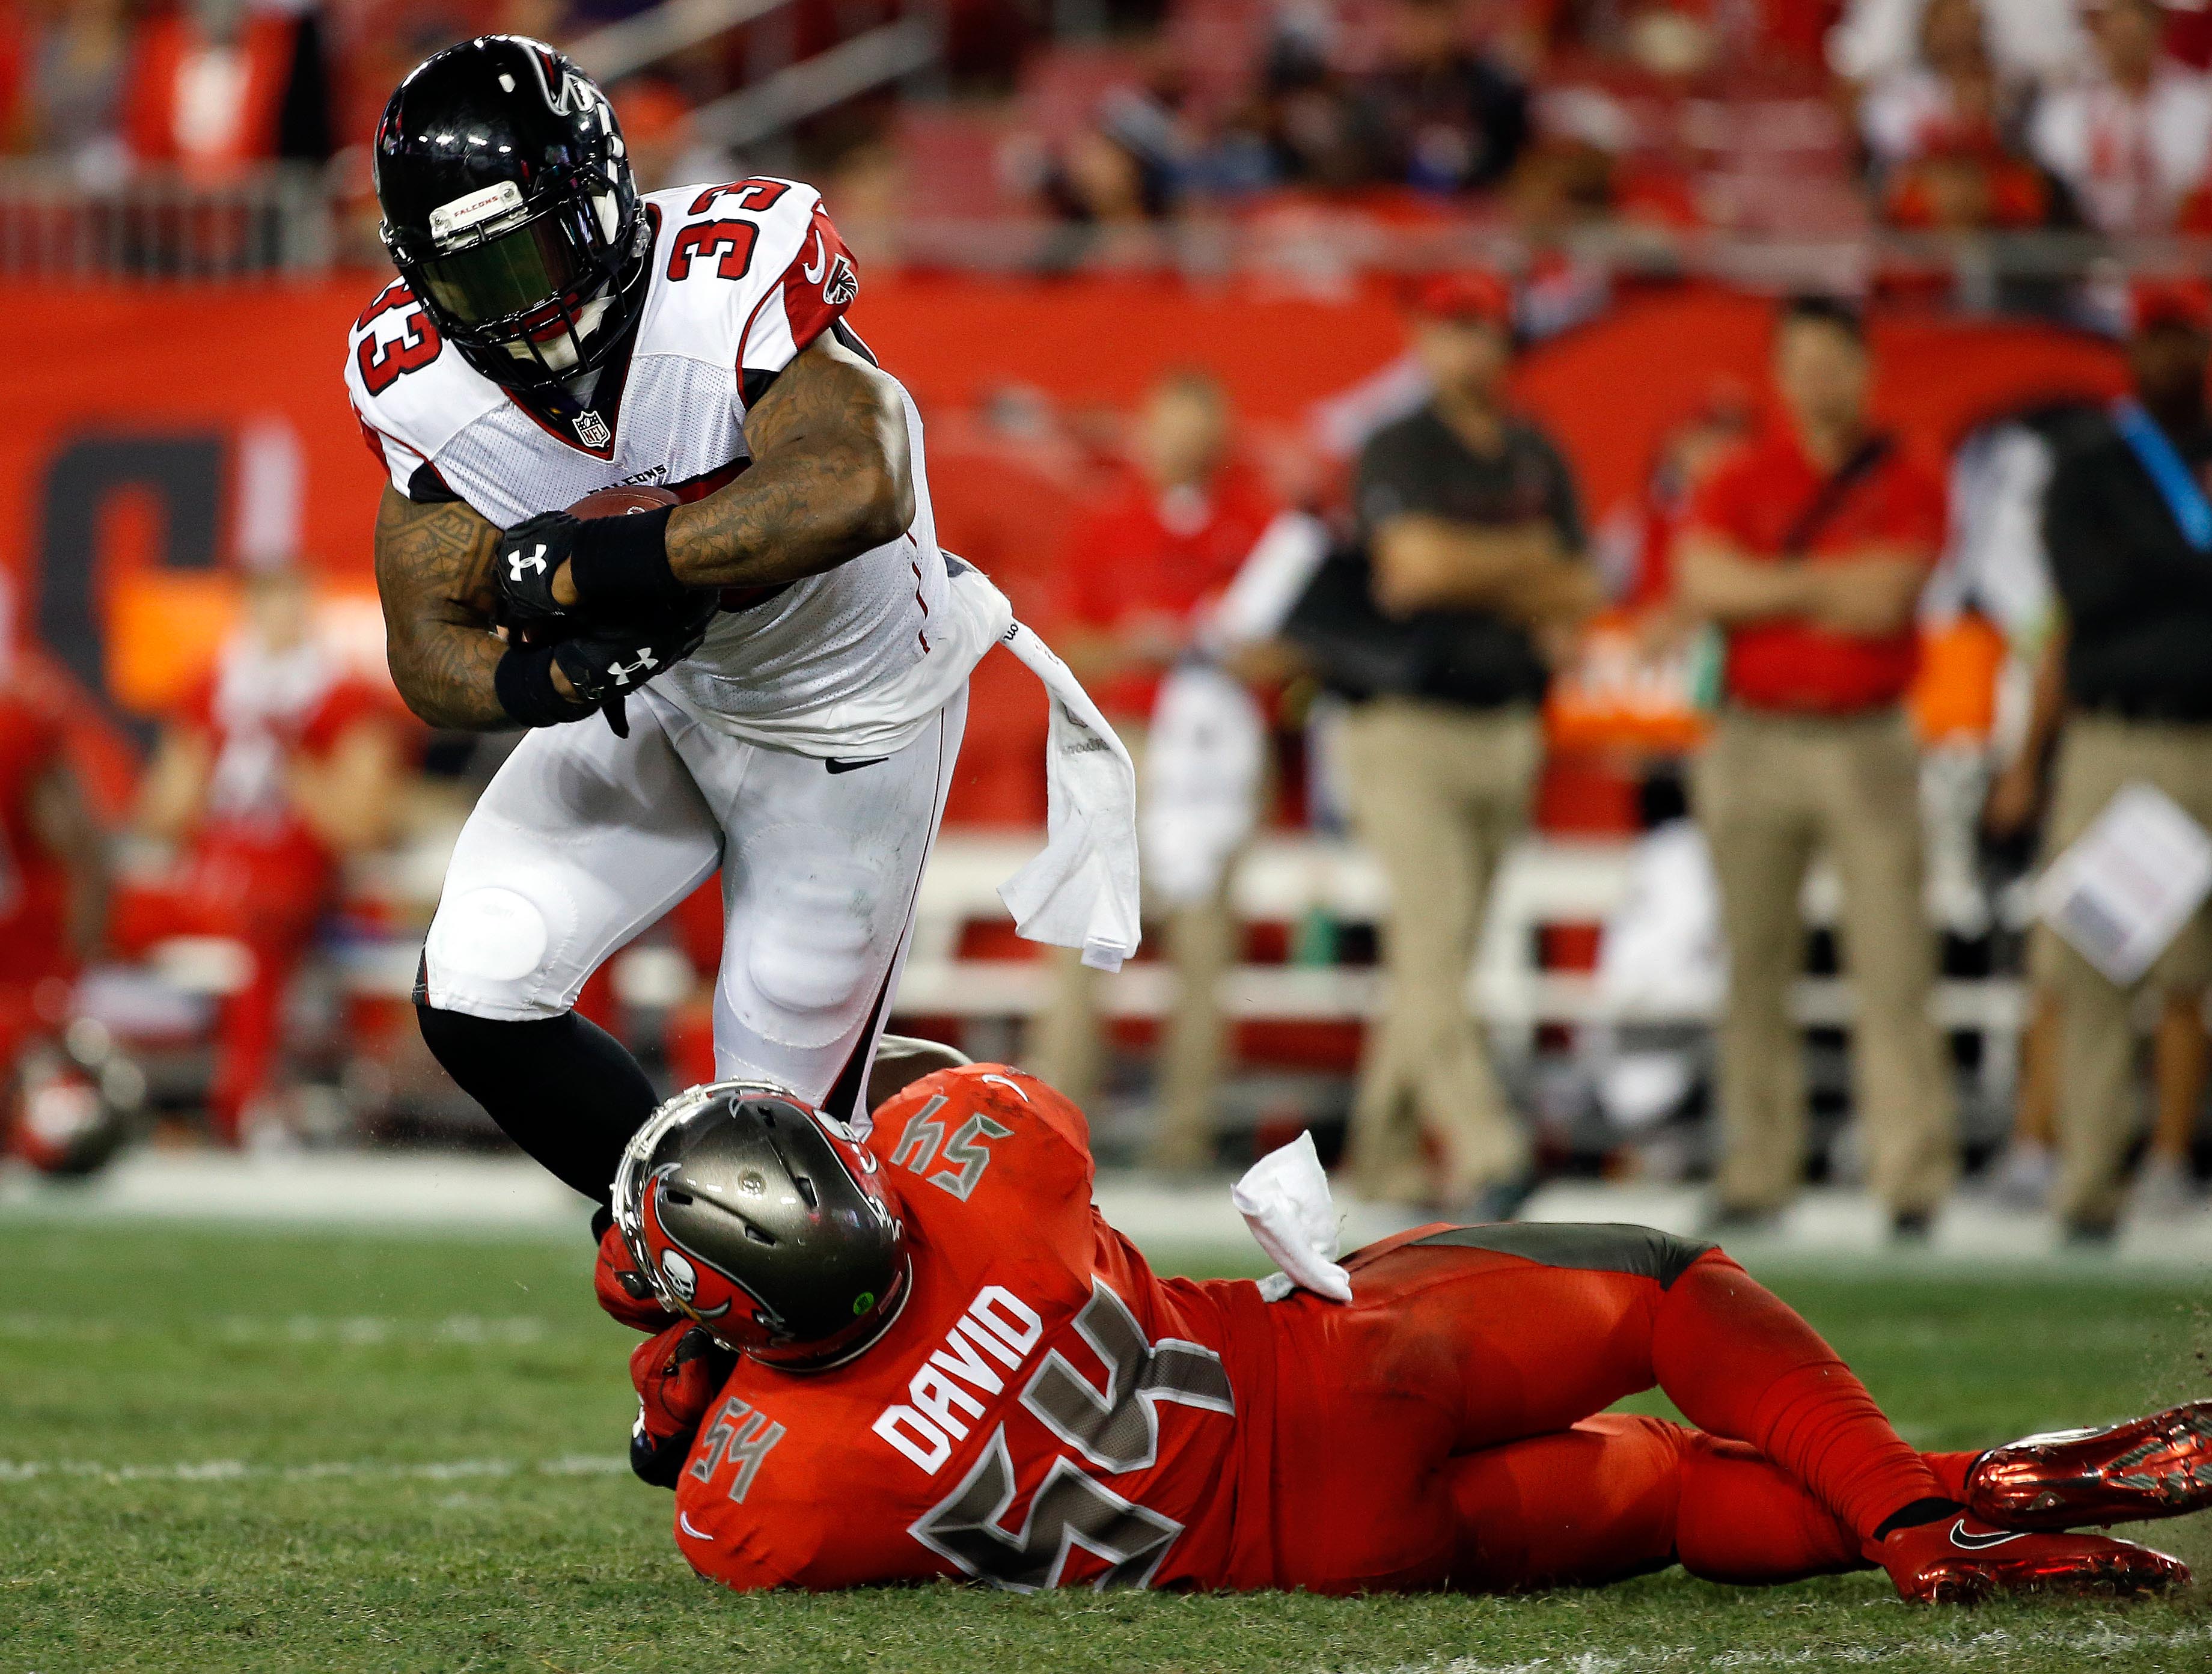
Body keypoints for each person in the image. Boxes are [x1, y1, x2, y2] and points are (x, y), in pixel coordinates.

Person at [349, 37, 1131, 1209]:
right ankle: (676, 1244)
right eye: (472, 280)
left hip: (848, 717)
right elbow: (425, 649)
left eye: (529, 252)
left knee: (782, 1144)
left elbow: (859, 483)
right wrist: (556, 681)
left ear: (601, 197)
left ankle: (880, 1242)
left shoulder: (726, 268)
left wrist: (592, 569)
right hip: (662, 695)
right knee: (478, 988)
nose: (516, 307)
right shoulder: (414, 375)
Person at [595, 1062, 2207, 1602]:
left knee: (1662, 1486)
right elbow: (916, 1092)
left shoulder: (764, 1498)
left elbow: (736, 1451)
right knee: (1664, 1284)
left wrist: (689, 1399)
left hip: (1328, 1551)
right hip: (1333, 1367)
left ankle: (1961, 1497)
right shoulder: (981, 1158)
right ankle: (1920, 1511)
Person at [1304, 269, 1595, 1212]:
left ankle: (1385, 1154)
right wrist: (1525, 564)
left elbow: (1582, 587)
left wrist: (1484, 569)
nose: (1464, 346)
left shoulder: (1536, 451)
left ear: (1507, 340)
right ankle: (1490, 1149)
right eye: (1448, 328)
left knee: (1439, 960)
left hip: (1505, 725)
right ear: (1423, 339)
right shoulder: (1400, 444)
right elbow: (1415, 567)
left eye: (1481, 328)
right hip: (1405, 725)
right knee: (1433, 945)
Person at [1675, 294, 1957, 1239]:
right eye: (1803, 362)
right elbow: (1702, 582)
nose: (1819, 380)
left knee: (1893, 960)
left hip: (1865, 737)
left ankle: (1910, 1174)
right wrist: (1826, 585)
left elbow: (1889, 598)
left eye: (1835, 361)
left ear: (1865, 370)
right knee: (1754, 961)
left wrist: (1768, 589)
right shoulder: (1740, 473)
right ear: (1779, 373)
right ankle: (1758, 1168)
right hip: (1754, 736)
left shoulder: (1908, 472)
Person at [1036, 371, 1279, 1167]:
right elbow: (1068, 643)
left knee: (1204, 949)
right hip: (1128, 738)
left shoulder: (1255, 527)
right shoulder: (1109, 524)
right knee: (1082, 941)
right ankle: (1053, 1131)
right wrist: (1138, 644)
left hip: (1214, 750)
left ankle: (1186, 1133)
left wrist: (1226, 654)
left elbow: (1289, 652)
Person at [2024, 280, 2212, 1238]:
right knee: (2093, 957)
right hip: (2117, 739)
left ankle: (2174, 1162)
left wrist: (2149, 568)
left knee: (2189, 973)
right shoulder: (2090, 462)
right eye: (2157, 339)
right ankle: (2088, 1178)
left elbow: (2120, 581)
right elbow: (2087, 593)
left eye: (2187, 339)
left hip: (2203, 740)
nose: (2171, 358)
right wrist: (2189, 571)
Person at [111, 561, 405, 1143]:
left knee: (261, 921)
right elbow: (161, 817)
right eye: (266, 606)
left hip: (296, 880)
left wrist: (291, 756)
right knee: (86, 912)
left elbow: (362, 828)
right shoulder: (212, 689)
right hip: (211, 874)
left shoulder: (348, 698)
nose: (278, 621)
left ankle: (247, 1102)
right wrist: (204, 763)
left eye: (290, 605)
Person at [2028, 0, 2212, 236]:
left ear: (2159, 32)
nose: (2127, 46)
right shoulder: (2065, 110)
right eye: (2118, 33)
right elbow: (2054, 190)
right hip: (2088, 240)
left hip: (2178, 241)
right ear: (2099, 34)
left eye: (2135, 34)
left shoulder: (2197, 105)